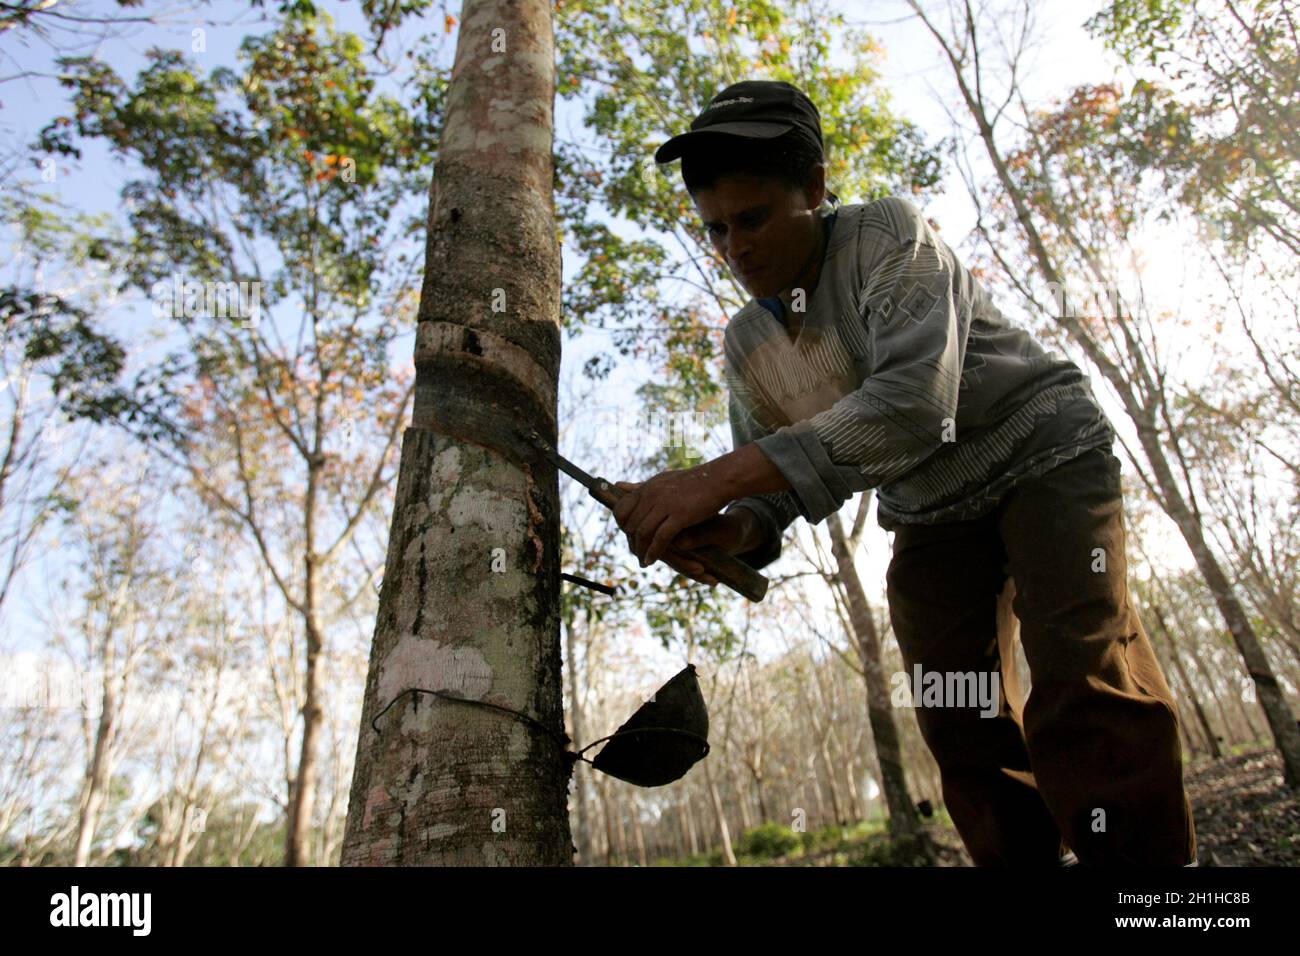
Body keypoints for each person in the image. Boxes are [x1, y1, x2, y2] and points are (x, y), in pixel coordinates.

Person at [611, 79, 1197, 866]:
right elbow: (774, 483)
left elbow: (915, 406)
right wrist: (735, 528)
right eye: (715, 230)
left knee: (1080, 679)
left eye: (752, 220)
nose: (734, 249)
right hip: (927, 507)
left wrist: (711, 479)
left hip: (1042, 451)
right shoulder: (748, 342)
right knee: (958, 713)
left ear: (814, 188)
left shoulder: (888, 234)